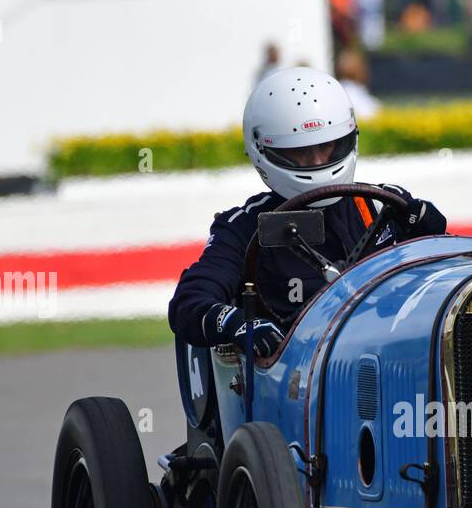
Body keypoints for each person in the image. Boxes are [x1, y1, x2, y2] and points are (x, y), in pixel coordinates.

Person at [168, 67, 446, 351]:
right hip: (294, 377)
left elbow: (440, 276)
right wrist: (239, 323)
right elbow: (189, 303)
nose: (316, 161)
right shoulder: (244, 226)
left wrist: (429, 226)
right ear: (261, 150)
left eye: (327, 147)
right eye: (299, 152)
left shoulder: (383, 206)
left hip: (385, 357)